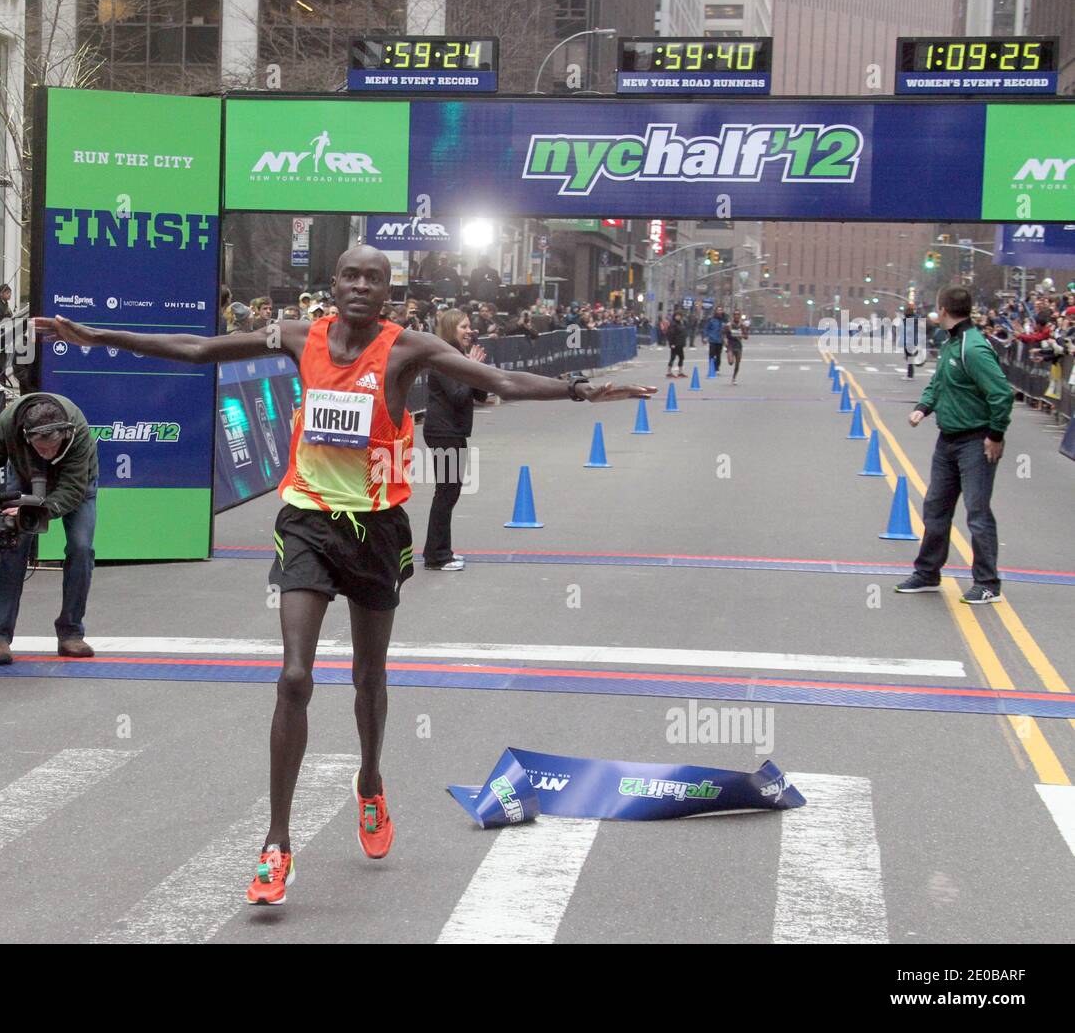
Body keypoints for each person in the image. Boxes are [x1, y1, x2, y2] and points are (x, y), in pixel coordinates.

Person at [33, 245, 655, 905]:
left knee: (367, 676)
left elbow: (496, 379)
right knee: (295, 675)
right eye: (350, 274)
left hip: (378, 529)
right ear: (333, 283)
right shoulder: (299, 336)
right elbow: (197, 348)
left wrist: (582, 388)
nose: (360, 285)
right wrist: (93, 333)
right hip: (308, 519)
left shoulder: (409, 347)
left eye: (374, 278)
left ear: (387, 291)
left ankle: (368, 780)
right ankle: (276, 842)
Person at [895, 286, 1012, 605]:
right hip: (948, 439)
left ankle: (987, 583)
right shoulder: (952, 344)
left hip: (975, 441)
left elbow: (1001, 393)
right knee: (935, 506)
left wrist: (995, 435)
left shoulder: (972, 348)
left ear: (943, 309)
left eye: (936, 308)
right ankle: (928, 572)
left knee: (977, 512)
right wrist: (924, 406)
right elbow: (939, 383)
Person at [0, 393, 99, 664]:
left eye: (53, 447)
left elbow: (72, 490)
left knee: (81, 548)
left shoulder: (78, 431)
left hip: (76, 485)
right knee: (13, 550)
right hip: (25, 479)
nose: (48, 453)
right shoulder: (8, 422)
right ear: (27, 436)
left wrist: (34, 511)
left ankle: (71, 632)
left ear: (63, 434)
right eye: (42, 449)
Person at [423, 309, 488, 571]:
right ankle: (437, 556)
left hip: (455, 431)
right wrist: (471, 367)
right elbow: (459, 396)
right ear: (451, 329)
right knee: (446, 492)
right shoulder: (445, 359)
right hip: (443, 432)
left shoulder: (460, 358)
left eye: (470, 326)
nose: (469, 331)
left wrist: (477, 368)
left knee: (450, 492)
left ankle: (440, 551)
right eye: (463, 326)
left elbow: (480, 395)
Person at [724, 311, 748, 384]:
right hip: (730, 344)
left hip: (738, 345)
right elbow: (723, 334)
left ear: (740, 316)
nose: (737, 316)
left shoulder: (742, 325)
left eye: (738, 315)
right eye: (735, 315)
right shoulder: (728, 325)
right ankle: (729, 356)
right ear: (733, 316)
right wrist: (725, 341)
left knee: (737, 363)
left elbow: (746, 336)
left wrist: (742, 336)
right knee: (731, 362)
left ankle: (734, 378)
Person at [665, 311, 687, 378]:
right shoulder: (673, 324)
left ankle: (680, 372)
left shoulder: (681, 323)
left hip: (680, 344)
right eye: (677, 316)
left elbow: (683, 333)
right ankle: (669, 372)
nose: (678, 317)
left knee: (681, 357)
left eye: (679, 316)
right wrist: (672, 343)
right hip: (675, 343)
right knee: (672, 357)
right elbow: (670, 334)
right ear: (674, 316)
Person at [705, 307, 726, 371]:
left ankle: (717, 366)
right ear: (716, 311)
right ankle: (711, 366)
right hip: (712, 339)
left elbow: (728, 329)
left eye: (721, 310)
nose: (719, 311)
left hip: (720, 340)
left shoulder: (724, 320)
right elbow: (706, 328)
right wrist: (705, 337)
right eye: (718, 310)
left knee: (718, 355)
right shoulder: (712, 320)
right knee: (711, 354)